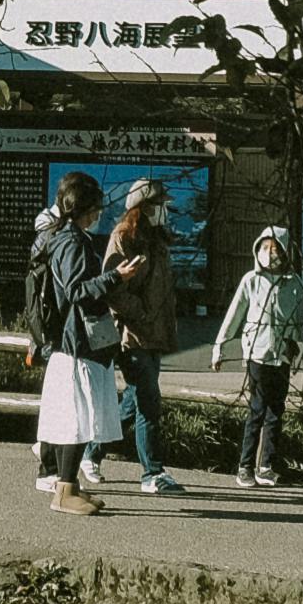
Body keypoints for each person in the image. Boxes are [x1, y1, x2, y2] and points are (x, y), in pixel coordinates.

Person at [22, 171, 125, 515]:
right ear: (82, 208)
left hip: (77, 344)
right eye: (95, 208)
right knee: (77, 418)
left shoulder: (70, 237)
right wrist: (116, 277)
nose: (99, 215)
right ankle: (64, 491)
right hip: (75, 344)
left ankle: (71, 486)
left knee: (79, 417)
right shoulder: (71, 241)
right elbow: (77, 291)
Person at [212, 223, 303, 485]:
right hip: (257, 352)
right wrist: (219, 345)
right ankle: (245, 466)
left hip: (283, 354)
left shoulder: (295, 283)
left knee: (276, 411)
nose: (269, 253)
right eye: (265, 248)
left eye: (274, 248)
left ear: (285, 251)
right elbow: (234, 313)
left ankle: (266, 465)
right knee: (257, 408)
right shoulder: (251, 280)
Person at [104, 180, 185, 496]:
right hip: (132, 335)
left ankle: (90, 454)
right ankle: (152, 473)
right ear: (143, 207)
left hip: (155, 334)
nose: (164, 208)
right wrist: (141, 312)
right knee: (149, 402)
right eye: (159, 203)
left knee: (132, 403)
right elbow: (112, 286)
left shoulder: (156, 240)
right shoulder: (123, 238)